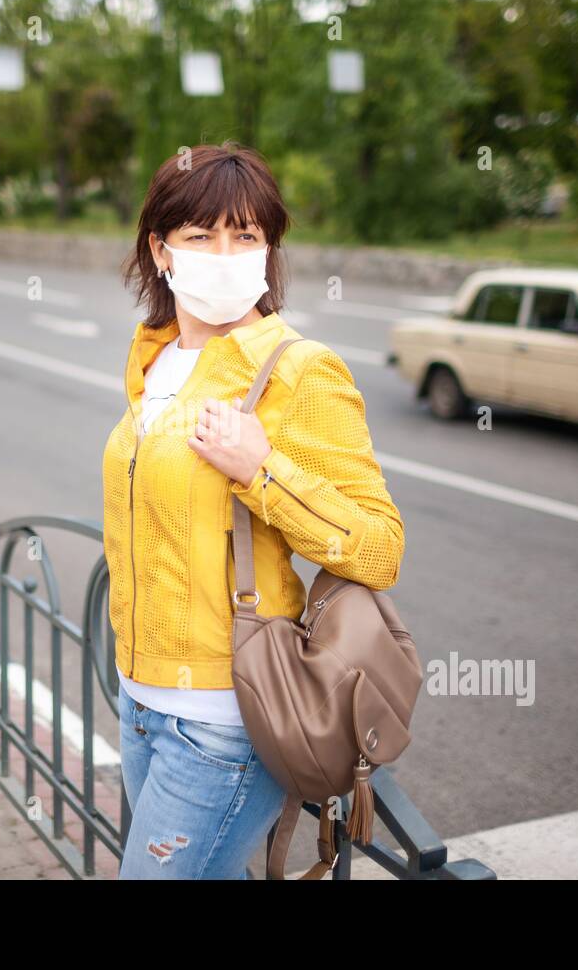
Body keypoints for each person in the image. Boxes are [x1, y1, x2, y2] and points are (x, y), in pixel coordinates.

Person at [104, 142, 405, 879]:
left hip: (223, 721)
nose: (225, 253)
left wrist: (260, 471)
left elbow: (379, 549)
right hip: (140, 705)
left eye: (245, 235)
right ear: (160, 248)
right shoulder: (155, 363)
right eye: (201, 235)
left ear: (269, 250)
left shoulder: (298, 370)